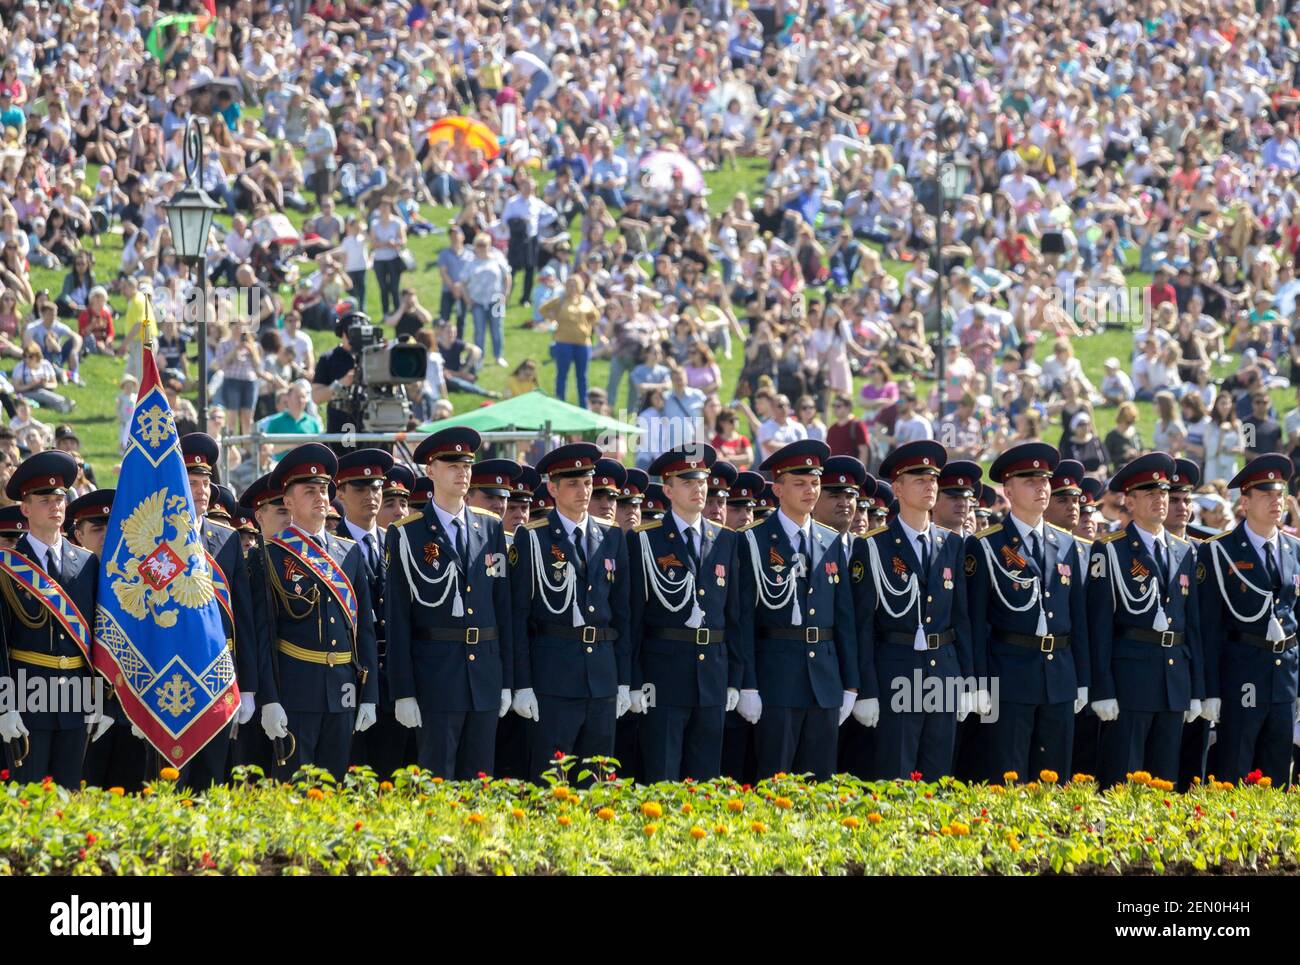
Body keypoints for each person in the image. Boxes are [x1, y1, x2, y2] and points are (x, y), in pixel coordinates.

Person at [385, 429, 513, 779]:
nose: (462, 472)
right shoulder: (406, 533)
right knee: (437, 780)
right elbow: (398, 618)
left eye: (467, 465)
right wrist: (403, 691)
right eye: (451, 464)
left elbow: (504, 609)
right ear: (431, 471)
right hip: (436, 676)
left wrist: (507, 680)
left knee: (480, 779)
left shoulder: (489, 528)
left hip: (484, 675)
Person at [248, 445, 379, 780]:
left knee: (334, 790)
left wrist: (369, 696)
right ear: (288, 502)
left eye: (324, 489)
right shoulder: (270, 556)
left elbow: (364, 629)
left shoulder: (348, 553)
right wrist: (269, 699)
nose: (321, 497)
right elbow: (263, 637)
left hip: (342, 690)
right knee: (295, 792)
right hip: (296, 691)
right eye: (309, 491)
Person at [965, 442, 1090, 783]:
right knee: (1009, 777)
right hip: (1010, 674)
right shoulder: (987, 544)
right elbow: (977, 623)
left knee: (1054, 779)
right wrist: (979, 682)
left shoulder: (1067, 544)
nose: (1041, 488)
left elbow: (1078, 618)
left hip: (1060, 675)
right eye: (1030, 480)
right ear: (1008, 489)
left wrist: (1083, 680)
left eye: (1045, 480)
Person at [736, 440, 858, 781]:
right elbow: (744, 619)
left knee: (820, 784)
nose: (810, 491)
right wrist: (748, 684)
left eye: (815, 482)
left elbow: (844, 617)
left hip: (825, 679)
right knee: (774, 779)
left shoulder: (829, 539)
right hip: (776, 678)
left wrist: (851, 685)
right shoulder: (753, 539)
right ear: (778, 488)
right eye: (800, 483)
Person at [851, 440, 974, 780]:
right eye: (919, 479)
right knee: (896, 773)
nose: (929, 485)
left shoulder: (951, 543)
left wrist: (967, 681)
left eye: (933, 479)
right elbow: (863, 625)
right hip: (897, 670)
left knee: (938, 774)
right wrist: (868, 690)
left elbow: (961, 621)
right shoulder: (874, 545)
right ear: (899, 488)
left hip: (944, 673)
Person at [509, 443, 632, 781]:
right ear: (553, 488)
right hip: (554, 675)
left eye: (588, 482)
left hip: (602, 675)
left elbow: (622, 614)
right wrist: (522, 684)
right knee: (552, 779)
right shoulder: (533, 538)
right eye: (573, 484)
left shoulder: (610, 536)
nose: (584, 491)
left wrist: (624, 680)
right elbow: (519, 618)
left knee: (597, 778)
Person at [1087, 453, 1202, 788]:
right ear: (1130, 501)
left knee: (1165, 781)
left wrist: (1196, 688)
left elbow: (1190, 624)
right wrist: (1103, 688)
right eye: (1150, 493)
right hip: (1129, 681)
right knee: (1122, 781)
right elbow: (1100, 627)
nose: (1160, 500)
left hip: (1173, 680)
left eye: (1164, 492)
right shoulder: (1111, 550)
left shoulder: (1183, 551)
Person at [627, 444, 741, 782]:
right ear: (668, 489)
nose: (699, 488)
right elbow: (633, 618)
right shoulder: (646, 540)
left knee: (706, 776)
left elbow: (734, 618)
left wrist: (736, 678)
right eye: (688, 481)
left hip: (713, 674)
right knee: (662, 774)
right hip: (663, 675)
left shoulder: (725, 539)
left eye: (703, 480)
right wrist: (633, 681)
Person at [0, 451, 107, 788]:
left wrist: (100, 699)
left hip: (76, 699)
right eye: (45, 499)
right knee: (28, 800)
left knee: (69, 798)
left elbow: (98, 635)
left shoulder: (87, 562)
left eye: (60, 498)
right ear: (26, 508)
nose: (55, 505)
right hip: (27, 696)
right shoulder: (8, 567)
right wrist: (4, 705)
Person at [1197, 455, 1300, 788]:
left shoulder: (1294, 549)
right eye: (1267, 494)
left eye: (1281, 493)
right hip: (1241, 673)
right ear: (1244, 501)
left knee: (1277, 768)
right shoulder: (1219, 551)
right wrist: (1210, 690)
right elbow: (1209, 629)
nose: (1277, 501)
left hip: (1285, 674)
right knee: (1235, 769)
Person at [178, 434, 259, 789]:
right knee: (172, 778)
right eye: (192, 482)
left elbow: (243, 617)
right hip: (172, 672)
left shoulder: (225, 539)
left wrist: (249, 687)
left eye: (207, 482)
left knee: (212, 776)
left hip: (218, 672)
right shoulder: (157, 538)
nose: (202, 490)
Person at [541, 274, 601, 408]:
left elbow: (595, 316)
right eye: (570, 284)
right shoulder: (560, 300)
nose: (572, 287)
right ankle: (560, 404)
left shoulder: (586, 301)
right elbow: (543, 309)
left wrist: (587, 326)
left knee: (582, 377)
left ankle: (583, 406)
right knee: (562, 374)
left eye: (575, 284)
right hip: (563, 341)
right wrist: (552, 317)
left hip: (583, 342)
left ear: (580, 286)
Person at [813, 455, 865, 552]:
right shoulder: (805, 546)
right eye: (835, 496)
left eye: (849, 496)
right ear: (814, 503)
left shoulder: (864, 548)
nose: (844, 503)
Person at [933, 460, 981, 535]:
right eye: (954, 497)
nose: (961, 504)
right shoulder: (923, 544)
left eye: (966, 498)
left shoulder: (976, 545)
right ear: (934, 502)